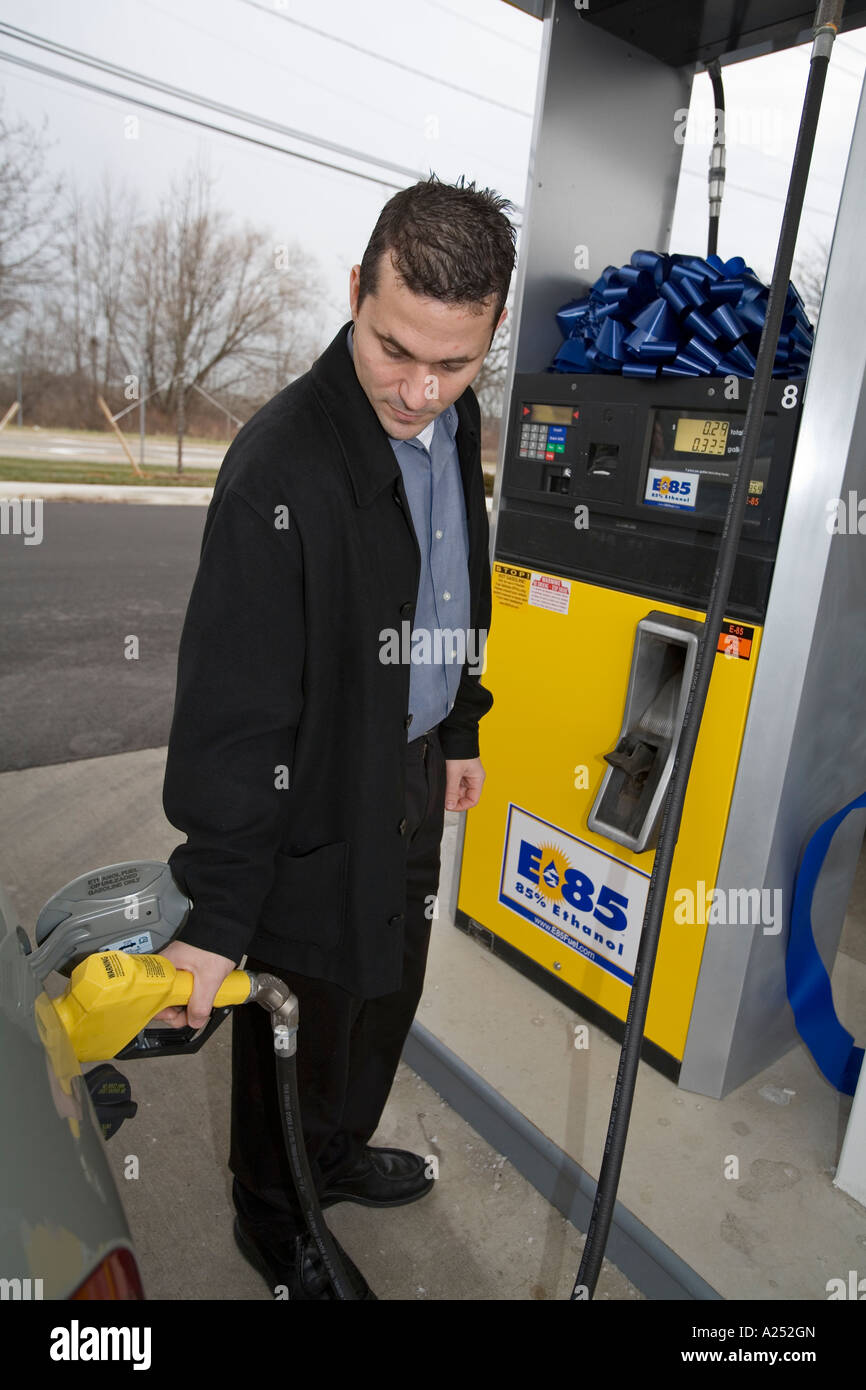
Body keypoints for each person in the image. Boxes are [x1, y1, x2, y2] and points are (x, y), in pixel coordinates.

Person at [154, 174, 516, 1299]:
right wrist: (216, 914)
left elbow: (454, 582)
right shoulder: (280, 467)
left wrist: (458, 724)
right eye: (394, 348)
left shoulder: (451, 420)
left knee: (386, 988)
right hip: (310, 791)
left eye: (454, 363)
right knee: (300, 1020)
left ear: (490, 335)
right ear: (357, 289)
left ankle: (338, 1154)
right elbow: (232, 708)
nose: (419, 390)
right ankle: (275, 1220)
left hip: (412, 770)